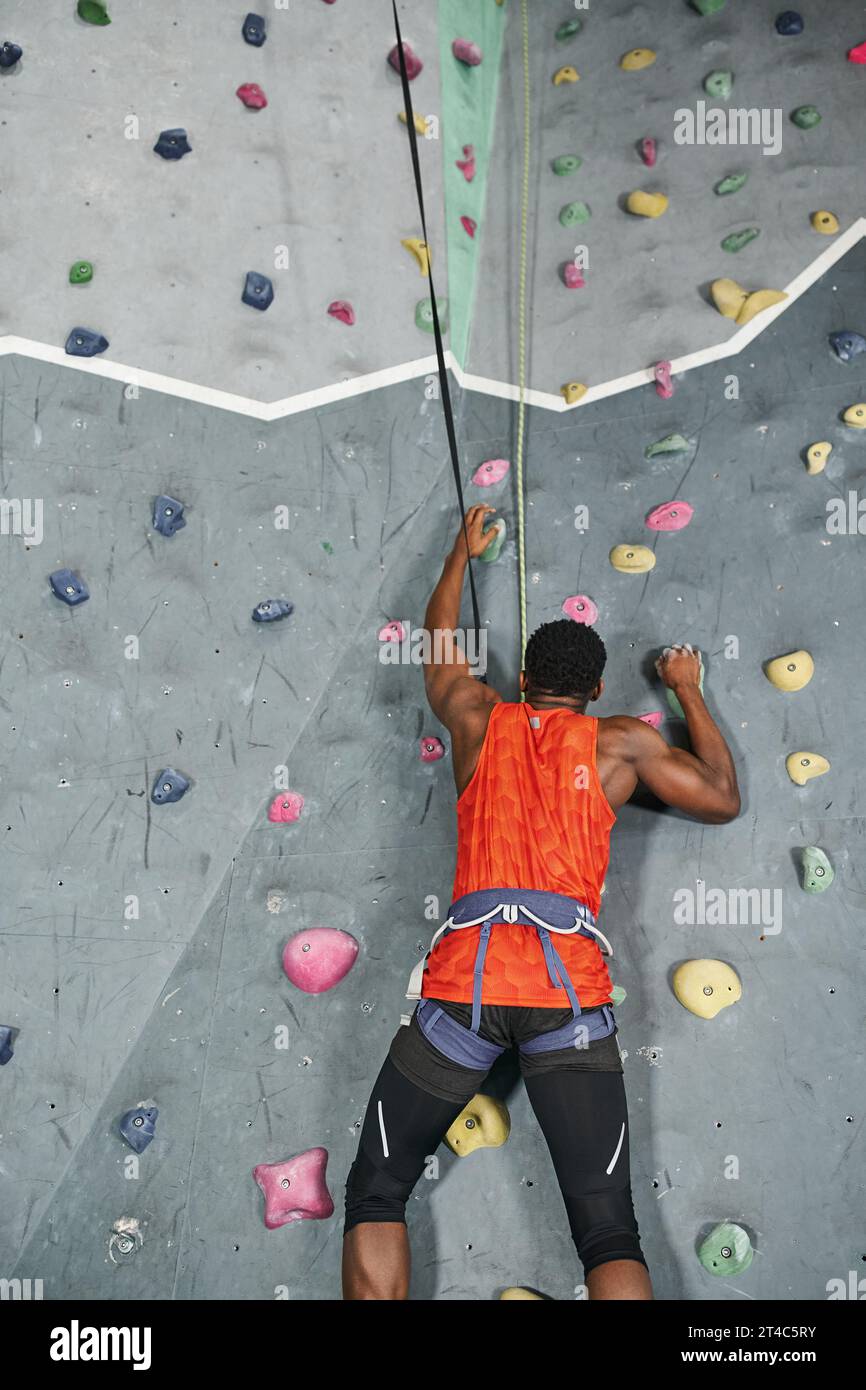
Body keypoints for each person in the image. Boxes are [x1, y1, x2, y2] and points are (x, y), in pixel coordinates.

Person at [342, 505, 740, 1300]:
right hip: (568, 999)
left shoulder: (475, 716)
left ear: (522, 681)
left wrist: (459, 550)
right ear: (594, 692)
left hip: (466, 991)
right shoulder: (619, 742)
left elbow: (441, 646)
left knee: (378, 1190)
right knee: (608, 1232)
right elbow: (721, 798)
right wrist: (689, 690)